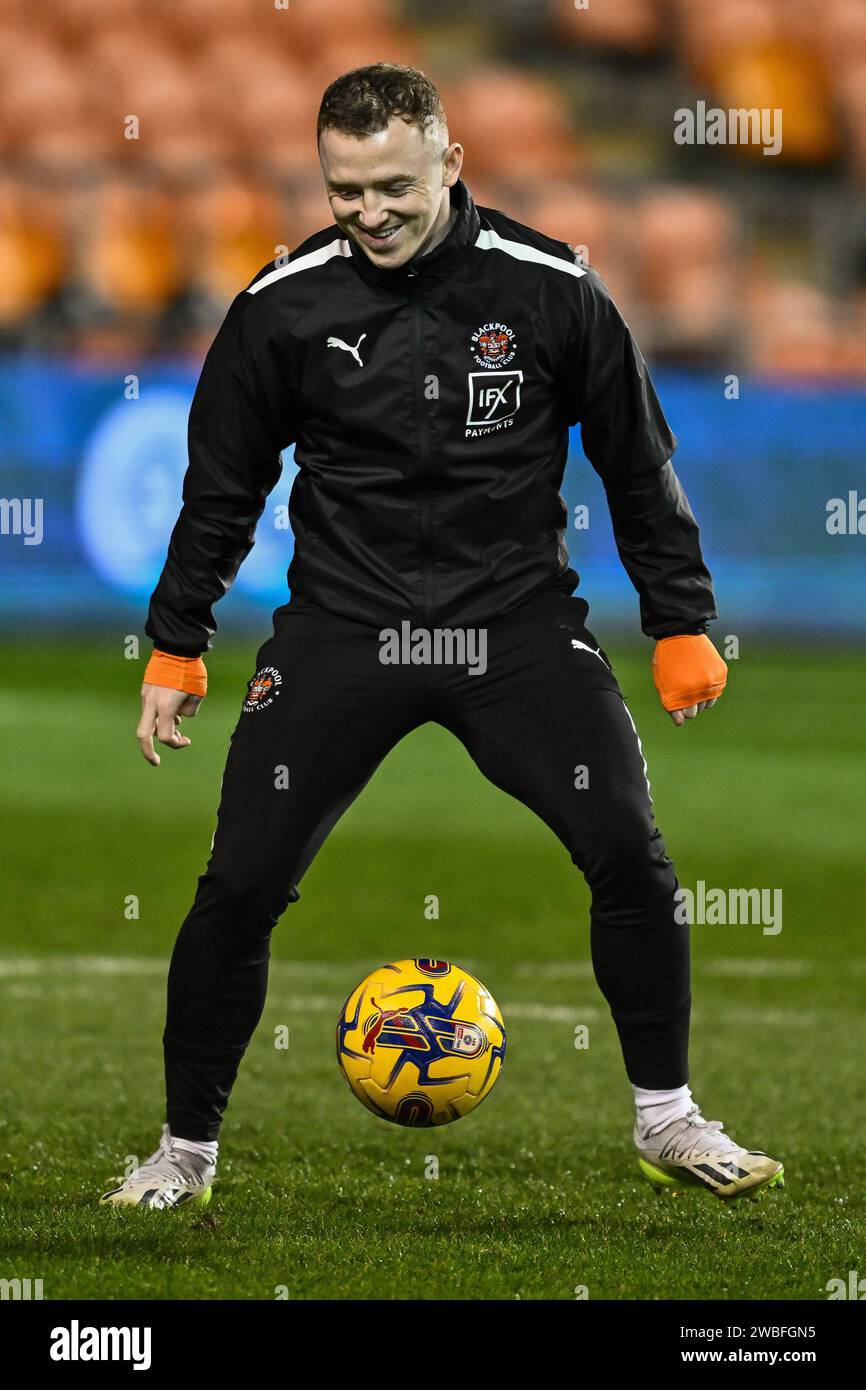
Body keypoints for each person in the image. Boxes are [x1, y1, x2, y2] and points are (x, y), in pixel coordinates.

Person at [102, 63, 782, 1210]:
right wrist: (175, 645)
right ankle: (183, 1154)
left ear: (450, 164)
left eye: (392, 189)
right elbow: (218, 490)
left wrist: (680, 621)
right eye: (344, 190)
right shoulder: (281, 305)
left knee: (628, 849)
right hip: (342, 629)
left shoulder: (554, 287)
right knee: (240, 883)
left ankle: (666, 1118)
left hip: (511, 627)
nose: (368, 213)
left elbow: (635, 464)